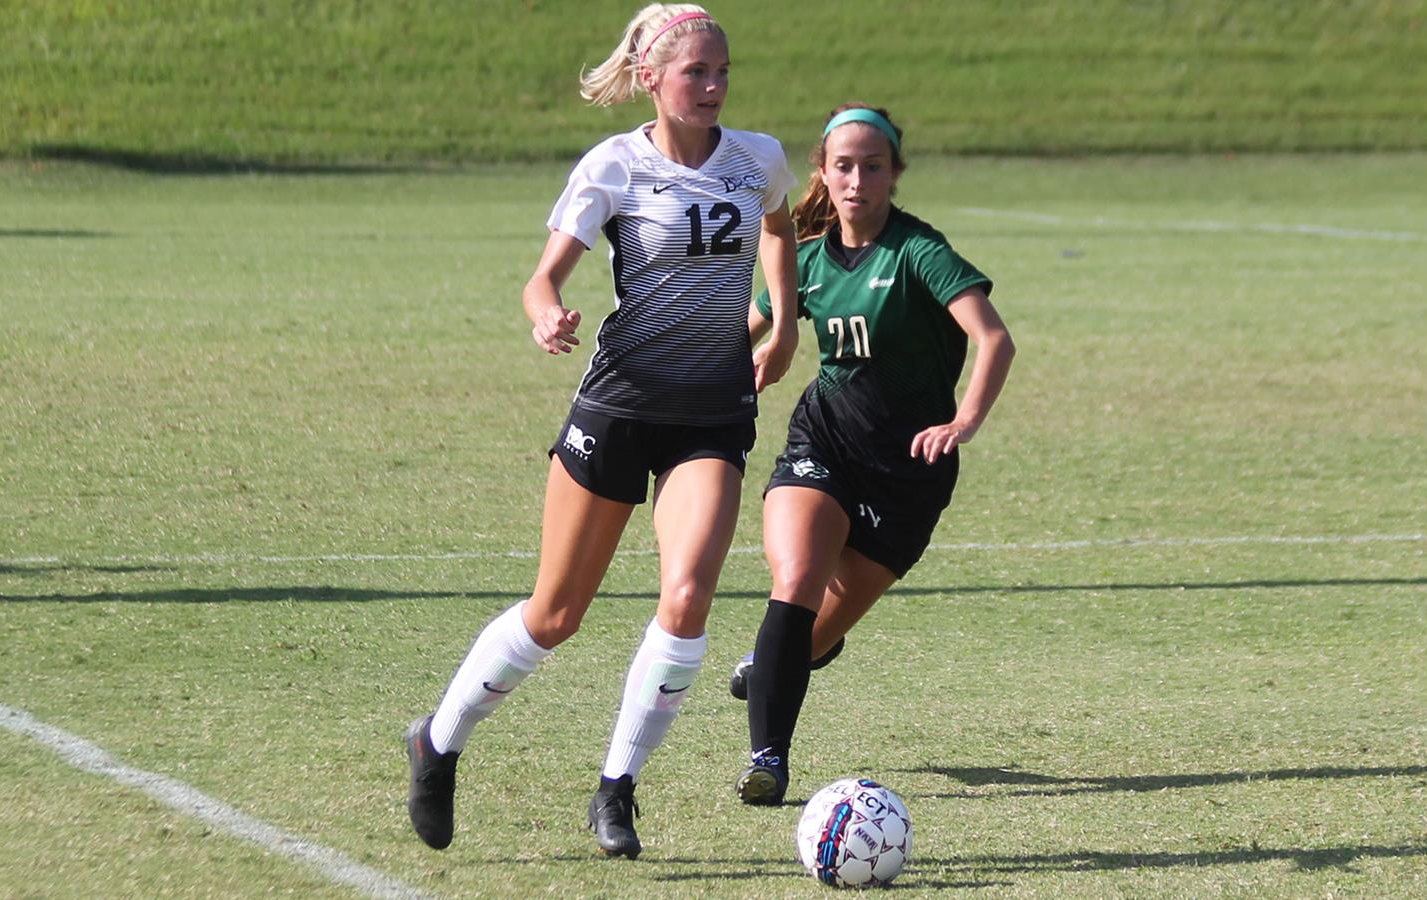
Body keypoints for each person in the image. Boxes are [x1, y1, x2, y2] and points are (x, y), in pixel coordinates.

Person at [404, 3, 798, 858]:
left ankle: (616, 790)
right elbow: (543, 278)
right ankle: (438, 741)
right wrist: (547, 314)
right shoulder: (613, 167)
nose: (715, 87)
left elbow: (778, 223)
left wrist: (786, 318)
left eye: (724, 71)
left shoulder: (757, 158)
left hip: (713, 412)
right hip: (618, 407)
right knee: (557, 613)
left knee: (689, 595)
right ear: (651, 78)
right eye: (697, 73)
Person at [730, 103, 1015, 806]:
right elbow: (745, 333)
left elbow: (994, 339)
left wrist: (965, 419)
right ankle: (768, 759)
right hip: (825, 440)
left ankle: (781, 661)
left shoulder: (918, 252)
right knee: (795, 577)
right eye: (844, 165)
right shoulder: (808, 259)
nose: (858, 179)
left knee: (812, 641)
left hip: (909, 476)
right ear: (823, 173)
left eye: (874, 166)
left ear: (895, 172)